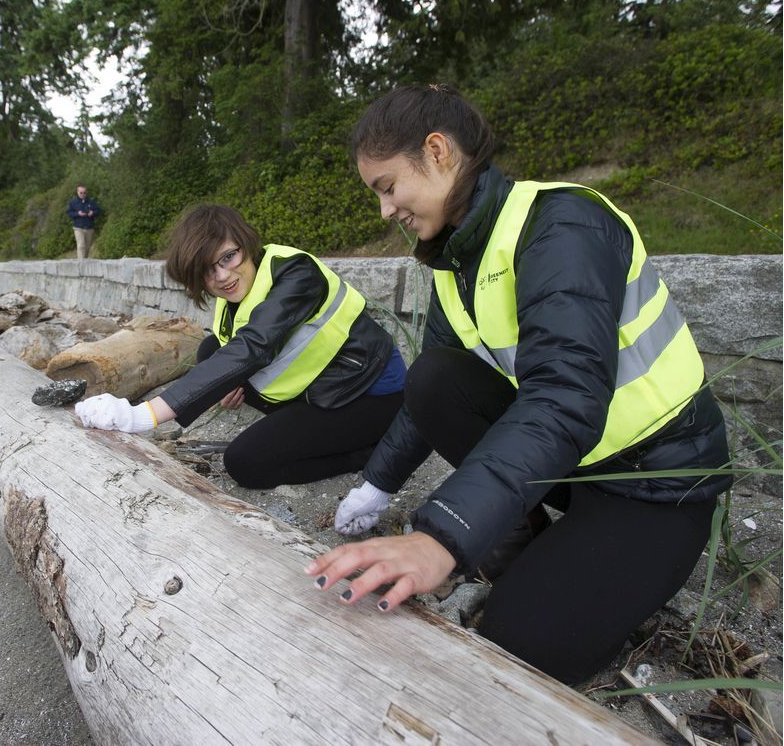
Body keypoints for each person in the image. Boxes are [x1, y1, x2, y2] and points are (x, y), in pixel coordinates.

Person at [306, 85, 731, 685]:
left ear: (437, 152)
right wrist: (376, 486)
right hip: (577, 467)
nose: (384, 211)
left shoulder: (563, 226)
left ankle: (578, 557)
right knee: (432, 378)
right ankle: (521, 534)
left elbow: (564, 394)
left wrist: (442, 537)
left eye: (386, 187)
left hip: (656, 483)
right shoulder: (456, 261)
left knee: (514, 648)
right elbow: (430, 396)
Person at [74, 204, 406, 489]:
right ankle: (304, 432)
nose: (222, 276)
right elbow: (232, 353)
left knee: (244, 463)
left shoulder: (296, 274)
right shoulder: (234, 297)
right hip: (319, 386)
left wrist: (144, 415)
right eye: (207, 271)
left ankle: (368, 453)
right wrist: (223, 385)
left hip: (366, 394)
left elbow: (255, 345)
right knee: (209, 351)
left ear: (246, 243)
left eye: (229, 257)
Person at [66, 185, 101, 259]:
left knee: (87, 247)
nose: (83, 194)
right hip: (78, 227)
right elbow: (69, 213)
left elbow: (98, 211)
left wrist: (92, 213)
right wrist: (78, 214)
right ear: (77, 192)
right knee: (81, 245)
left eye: (84, 193)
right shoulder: (73, 202)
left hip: (89, 227)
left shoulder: (91, 201)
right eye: (81, 193)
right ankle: (81, 263)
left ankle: (85, 261)